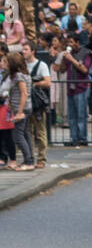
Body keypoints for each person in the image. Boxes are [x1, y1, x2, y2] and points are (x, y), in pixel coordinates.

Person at [57, 29, 92, 146]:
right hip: (70, 88)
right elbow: (62, 69)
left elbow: (84, 70)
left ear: (77, 42)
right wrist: (63, 58)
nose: (70, 45)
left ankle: (83, 138)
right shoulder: (69, 54)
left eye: (71, 42)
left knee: (81, 114)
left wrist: (72, 59)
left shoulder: (85, 53)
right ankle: (74, 138)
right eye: (69, 42)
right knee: (72, 115)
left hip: (81, 87)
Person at [23, 38, 50, 168]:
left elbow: (48, 82)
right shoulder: (21, 65)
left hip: (37, 104)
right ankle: (29, 157)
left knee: (40, 132)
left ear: (33, 51)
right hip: (25, 103)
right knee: (26, 131)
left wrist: (35, 83)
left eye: (26, 49)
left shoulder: (42, 65)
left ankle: (41, 158)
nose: (23, 52)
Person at [6, 51, 34, 170]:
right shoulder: (24, 74)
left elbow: (24, 93)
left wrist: (19, 112)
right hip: (26, 107)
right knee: (25, 134)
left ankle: (28, 161)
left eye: (7, 61)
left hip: (21, 108)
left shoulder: (19, 76)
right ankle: (29, 160)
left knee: (18, 136)